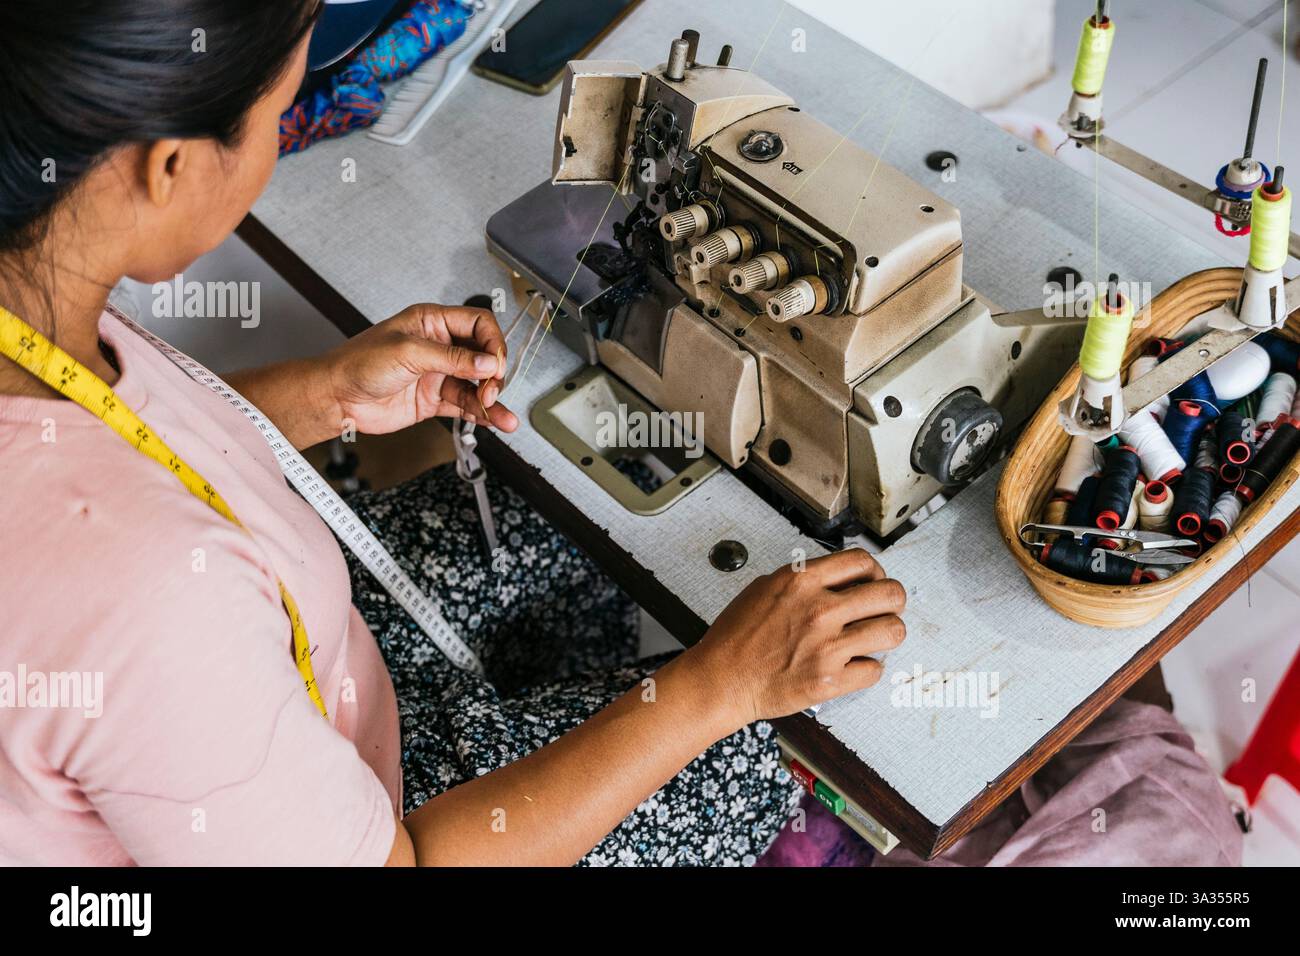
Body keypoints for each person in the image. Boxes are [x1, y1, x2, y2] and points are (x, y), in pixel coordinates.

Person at [0, 0, 906, 867]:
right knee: (763, 754)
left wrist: (326, 394)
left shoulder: (38, 312)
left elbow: (114, 445)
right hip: (383, 831)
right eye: (279, 113)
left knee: (558, 530)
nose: (280, 135)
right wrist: (721, 689)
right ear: (170, 165)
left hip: (295, 692)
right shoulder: (146, 608)